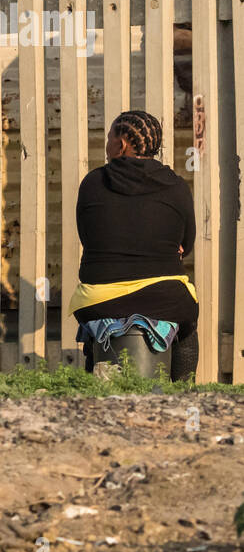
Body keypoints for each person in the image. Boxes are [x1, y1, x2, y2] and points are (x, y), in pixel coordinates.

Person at [69, 110, 197, 380]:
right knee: (187, 328)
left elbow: (88, 237)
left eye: (108, 139)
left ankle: (95, 378)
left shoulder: (93, 183)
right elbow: (187, 243)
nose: (107, 146)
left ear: (121, 144)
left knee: (91, 334)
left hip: (100, 298)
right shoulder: (177, 187)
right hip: (165, 298)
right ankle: (185, 394)